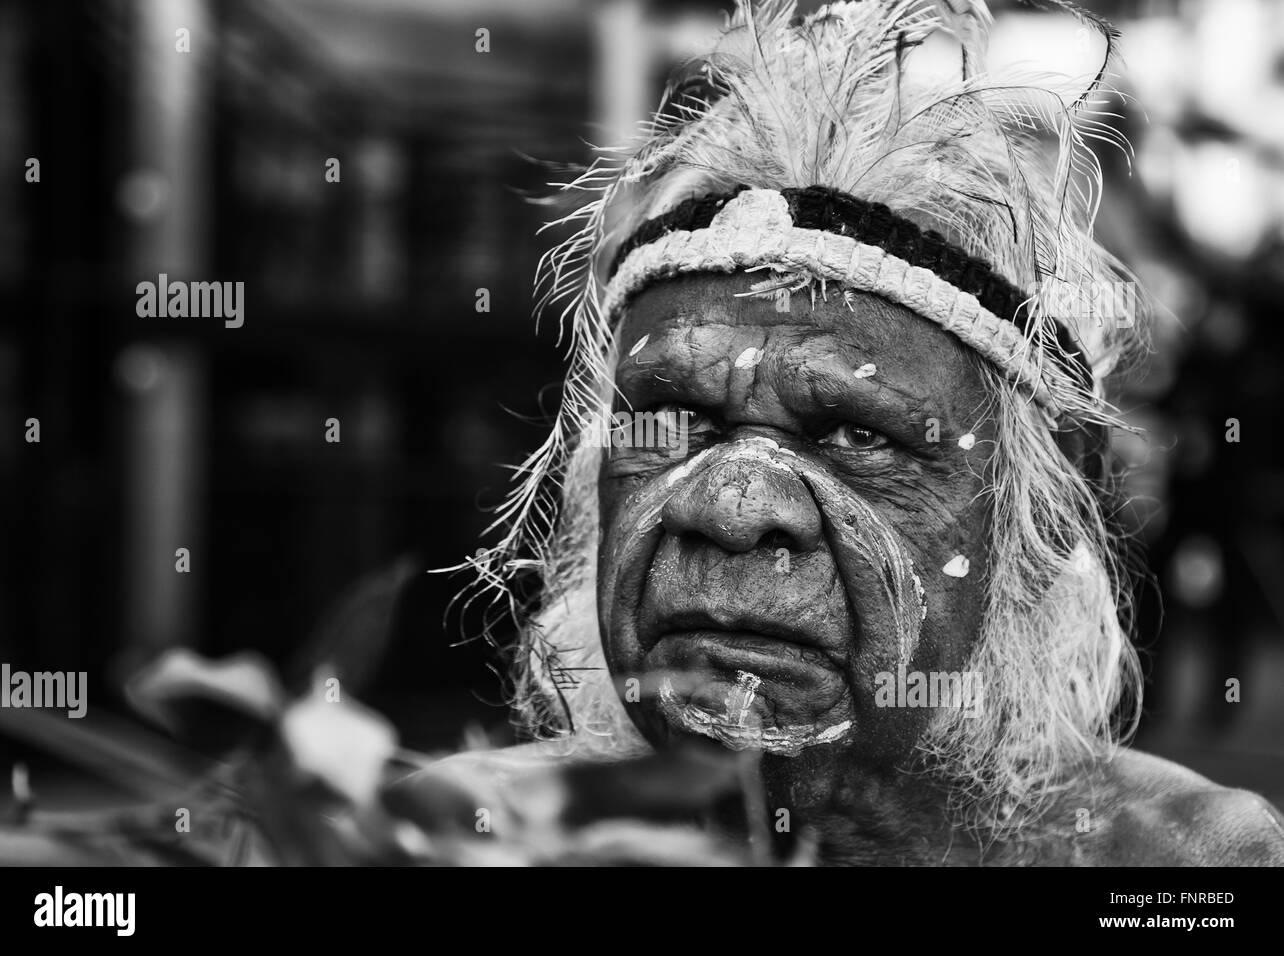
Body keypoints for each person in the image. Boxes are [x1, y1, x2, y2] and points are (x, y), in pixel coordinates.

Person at [422, 0, 1284, 865]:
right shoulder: (454, 842)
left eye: (855, 435)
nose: (733, 507)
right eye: (673, 422)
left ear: (1048, 513)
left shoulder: (1178, 869)